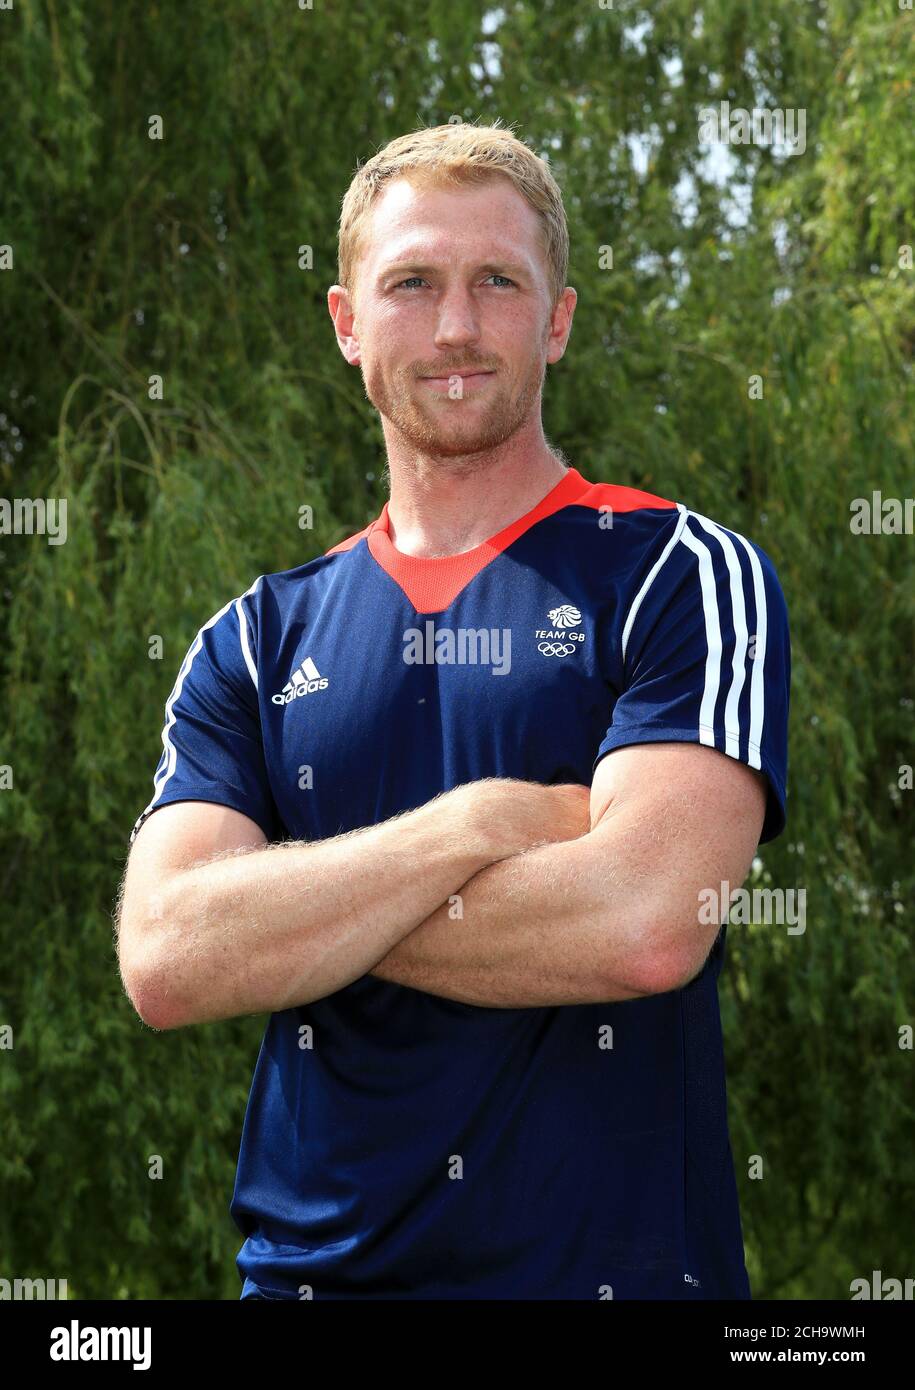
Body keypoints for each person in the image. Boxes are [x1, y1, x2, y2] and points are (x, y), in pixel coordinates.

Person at [116, 122, 790, 1300]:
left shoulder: (677, 571)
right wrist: (475, 825)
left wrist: (291, 918)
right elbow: (171, 956)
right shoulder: (253, 640)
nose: (456, 328)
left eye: (497, 283)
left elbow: (641, 923)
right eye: (412, 283)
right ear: (345, 323)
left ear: (559, 318)